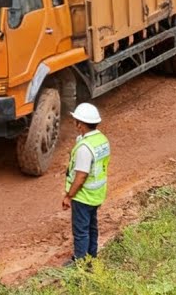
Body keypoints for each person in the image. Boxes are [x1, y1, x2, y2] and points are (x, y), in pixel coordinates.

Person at [63, 103, 108, 264]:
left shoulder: (84, 148)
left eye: (75, 121)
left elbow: (81, 176)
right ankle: (91, 258)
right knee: (92, 227)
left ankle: (80, 264)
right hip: (97, 194)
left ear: (80, 124)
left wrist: (69, 196)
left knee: (81, 231)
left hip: (84, 196)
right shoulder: (101, 140)